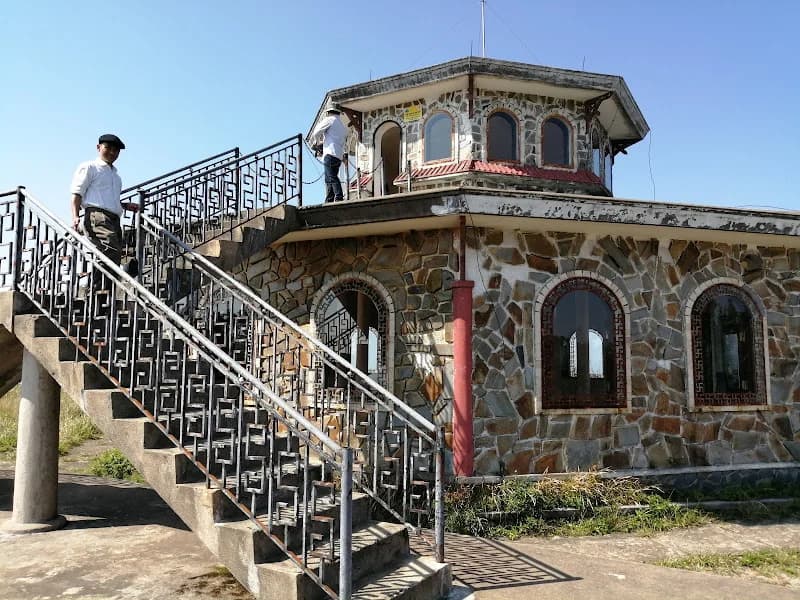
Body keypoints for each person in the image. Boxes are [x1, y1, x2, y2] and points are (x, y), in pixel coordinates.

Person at [310, 106, 348, 202]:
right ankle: (329, 199)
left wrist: (317, 143)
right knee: (329, 177)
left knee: (331, 177)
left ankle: (339, 196)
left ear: (329, 112)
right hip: (338, 155)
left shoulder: (329, 120)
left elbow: (316, 132)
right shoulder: (342, 126)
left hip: (330, 153)